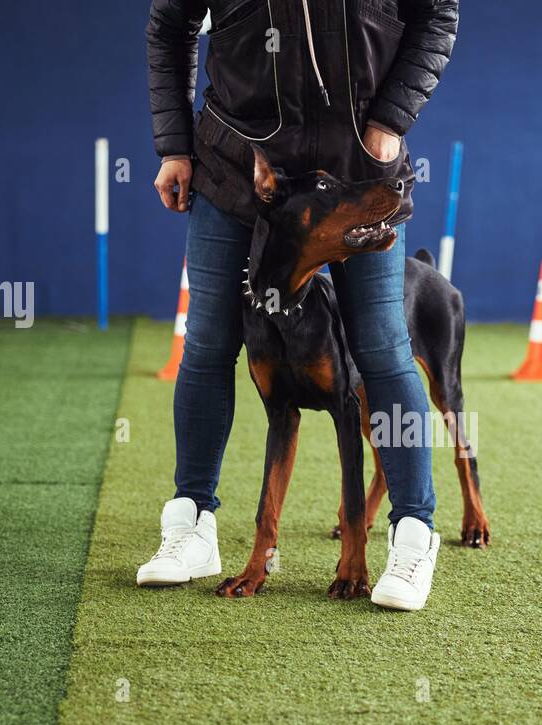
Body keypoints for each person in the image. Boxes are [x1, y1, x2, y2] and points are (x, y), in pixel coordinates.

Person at [140, 0, 459, 611]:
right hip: (235, 166)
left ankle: (412, 533)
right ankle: (191, 525)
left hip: (359, 168)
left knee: (386, 350)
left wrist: (390, 120)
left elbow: (437, 14)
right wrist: (174, 144)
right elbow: (170, 26)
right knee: (207, 343)